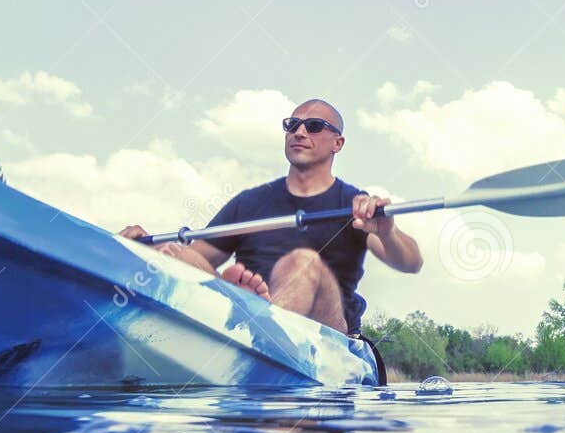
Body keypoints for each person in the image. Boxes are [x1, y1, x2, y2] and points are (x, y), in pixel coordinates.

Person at [119, 98, 421, 334]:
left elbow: (411, 262)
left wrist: (387, 232)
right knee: (173, 253)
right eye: (292, 125)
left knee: (302, 262)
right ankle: (249, 315)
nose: (299, 132)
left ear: (337, 143)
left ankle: (261, 322)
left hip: (329, 338)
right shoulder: (249, 202)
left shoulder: (355, 205)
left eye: (314, 126)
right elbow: (194, 259)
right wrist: (137, 249)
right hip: (246, 320)